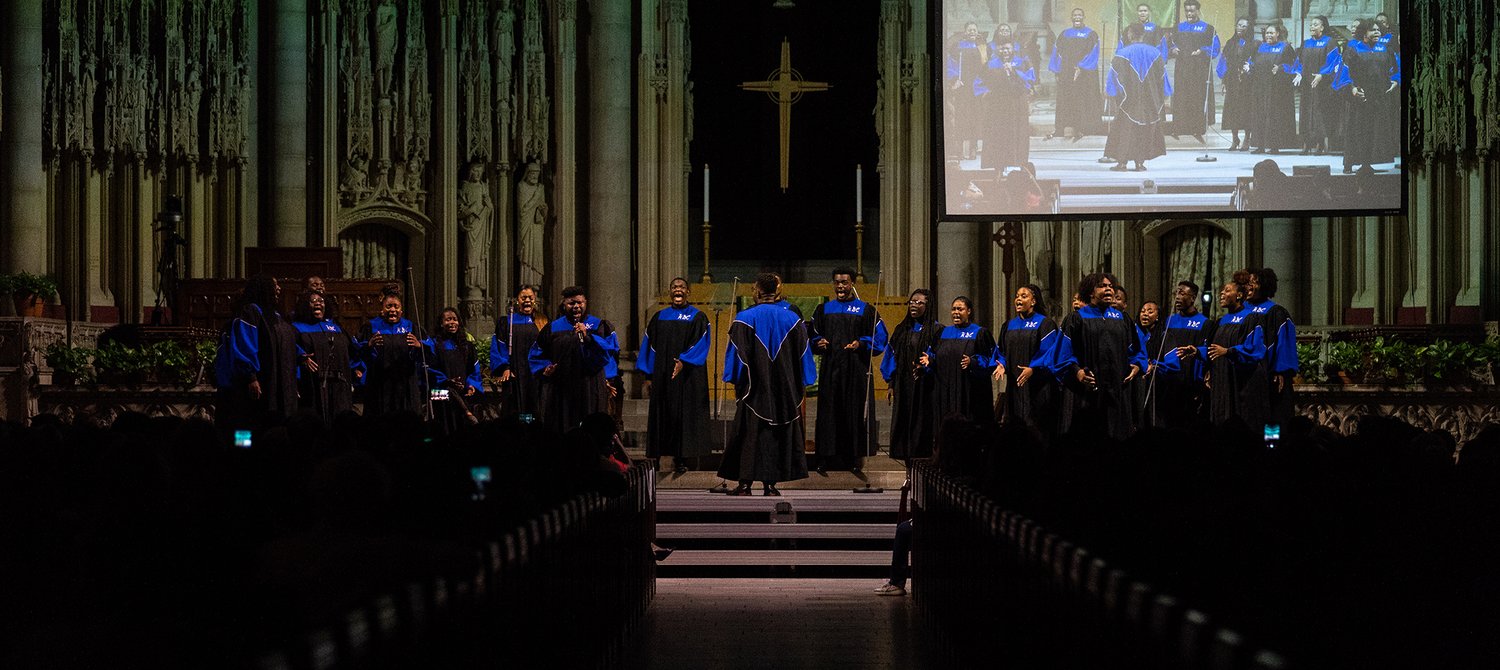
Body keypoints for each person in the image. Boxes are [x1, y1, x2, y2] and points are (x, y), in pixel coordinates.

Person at [718, 273, 816, 496]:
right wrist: (804, 382)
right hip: (784, 391)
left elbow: (736, 355)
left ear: (758, 291)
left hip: (753, 390)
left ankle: (745, 485)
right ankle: (770, 486)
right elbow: (804, 354)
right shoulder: (792, 319)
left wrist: (733, 378)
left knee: (749, 435)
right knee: (775, 436)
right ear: (776, 292)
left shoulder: (744, 318)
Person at [809, 268, 889, 474]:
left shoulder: (866, 310)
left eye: (844, 282)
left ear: (852, 283)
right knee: (829, 412)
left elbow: (880, 337)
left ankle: (853, 457)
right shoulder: (824, 309)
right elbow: (812, 334)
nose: (840, 286)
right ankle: (825, 457)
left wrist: (861, 344)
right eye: (837, 282)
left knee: (853, 412)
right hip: (831, 368)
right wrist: (819, 342)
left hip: (856, 369)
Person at [1055, 273, 1145, 441]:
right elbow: (1064, 354)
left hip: (1118, 391)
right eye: (1103, 286)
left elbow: (1136, 349)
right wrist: (1078, 372)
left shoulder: (1122, 318)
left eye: (1111, 286)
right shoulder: (1077, 318)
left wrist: (1137, 365)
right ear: (1090, 292)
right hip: (1088, 392)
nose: (1109, 289)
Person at [639, 278, 711, 474]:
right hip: (662, 375)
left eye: (681, 287)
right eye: (674, 287)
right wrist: (648, 374)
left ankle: (681, 458)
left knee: (683, 416)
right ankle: (657, 455)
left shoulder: (698, 317)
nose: (677, 290)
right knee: (662, 413)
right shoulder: (659, 317)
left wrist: (684, 361)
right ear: (669, 292)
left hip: (687, 377)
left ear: (688, 291)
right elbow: (649, 346)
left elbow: (701, 343)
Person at [530, 286, 619, 433]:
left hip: (590, 384)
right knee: (563, 425)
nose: (576, 306)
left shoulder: (598, 325)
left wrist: (588, 337)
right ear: (564, 305)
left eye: (580, 302)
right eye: (571, 303)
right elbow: (537, 352)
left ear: (585, 303)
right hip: (562, 385)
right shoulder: (553, 327)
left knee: (591, 426)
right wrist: (545, 367)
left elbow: (609, 351)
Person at [215, 276, 300, 431]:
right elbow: (245, 344)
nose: (279, 289)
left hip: (277, 385)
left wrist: (291, 381)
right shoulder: (251, 312)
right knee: (245, 427)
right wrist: (251, 376)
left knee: (272, 427)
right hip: (257, 383)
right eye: (274, 285)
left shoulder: (276, 317)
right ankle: (243, 452)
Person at [1332, 19, 1400, 174]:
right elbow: (1344, 72)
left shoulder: (1385, 49)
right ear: (1364, 33)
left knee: (1372, 130)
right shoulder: (1354, 49)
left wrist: (1395, 81)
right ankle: (1349, 163)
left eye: (1378, 30)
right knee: (1356, 130)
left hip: (1378, 97)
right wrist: (1353, 88)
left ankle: (1367, 163)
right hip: (1359, 97)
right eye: (1372, 30)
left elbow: (1394, 70)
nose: (1377, 32)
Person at [994, 285, 1062, 436]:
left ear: (1033, 301)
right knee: (1014, 424)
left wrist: (1034, 368)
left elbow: (1050, 352)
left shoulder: (1045, 324)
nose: (1018, 299)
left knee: (1036, 427)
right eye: (1017, 296)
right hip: (1015, 386)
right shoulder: (1009, 325)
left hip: (1038, 386)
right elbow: (1001, 351)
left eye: (1023, 296)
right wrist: (1002, 364)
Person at [920, 296, 999, 425]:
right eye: (954, 309)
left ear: (969, 311)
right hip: (946, 391)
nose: (956, 312)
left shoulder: (980, 333)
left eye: (960, 309)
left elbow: (991, 358)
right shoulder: (943, 333)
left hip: (970, 391)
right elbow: (934, 355)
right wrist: (929, 361)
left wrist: (973, 362)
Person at [1104, 22, 1171, 172]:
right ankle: (1139, 163)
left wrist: (1111, 92)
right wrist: (1165, 95)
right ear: (1143, 34)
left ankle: (1122, 163)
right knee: (1144, 129)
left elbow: (1114, 76)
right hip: (1149, 100)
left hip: (1128, 100)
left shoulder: (1122, 54)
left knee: (1125, 130)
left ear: (1130, 34)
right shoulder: (1155, 53)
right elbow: (1163, 77)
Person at [1203, 274, 1266, 432]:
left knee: (1242, 421)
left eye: (1227, 290)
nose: (1222, 294)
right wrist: (1197, 352)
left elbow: (1254, 349)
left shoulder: (1251, 318)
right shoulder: (1220, 321)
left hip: (1242, 379)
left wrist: (1229, 351)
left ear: (1239, 295)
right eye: (1222, 291)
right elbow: (1214, 348)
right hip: (1222, 377)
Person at [881, 289, 939, 460]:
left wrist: (929, 365)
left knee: (922, 426)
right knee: (904, 425)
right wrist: (891, 383)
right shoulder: (902, 329)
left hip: (926, 387)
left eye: (919, 302)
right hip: (904, 385)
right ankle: (907, 471)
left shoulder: (936, 330)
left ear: (928, 306)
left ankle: (921, 468)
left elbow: (939, 357)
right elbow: (891, 357)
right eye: (912, 302)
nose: (914, 305)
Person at [357, 285, 432, 417]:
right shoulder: (371, 326)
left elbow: (431, 350)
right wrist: (368, 345)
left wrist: (419, 345)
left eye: (396, 307)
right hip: (379, 384)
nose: (392, 310)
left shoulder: (411, 327)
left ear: (401, 310)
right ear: (382, 309)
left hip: (405, 383)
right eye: (389, 306)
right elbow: (356, 350)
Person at [290, 290, 359, 424]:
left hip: (339, 386)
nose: (318, 303)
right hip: (312, 384)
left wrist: (357, 366)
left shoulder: (335, 327)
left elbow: (351, 349)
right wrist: (301, 357)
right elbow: (289, 351)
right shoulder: (296, 328)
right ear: (305, 305)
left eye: (321, 301)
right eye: (313, 301)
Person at [1151, 281, 1210, 429]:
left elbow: (1206, 353)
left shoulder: (1204, 323)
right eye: (1176, 293)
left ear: (1193, 298)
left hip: (1190, 385)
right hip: (1169, 384)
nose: (1177, 297)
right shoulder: (1169, 322)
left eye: (1182, 293)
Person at [1245, 268, 1298, 427]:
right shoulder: (1240, 312)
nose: (1248, 287)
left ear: (1263, 285)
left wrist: (1280, 370)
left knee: (1271, 420)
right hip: (1245, 378)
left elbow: (1284, 343)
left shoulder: (1276, 312)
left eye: (1252, 283)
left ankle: (1271, 449)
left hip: (1268, 376)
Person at [977, 40, 1035, 171]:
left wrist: (1013, 71)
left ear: (1013, 49)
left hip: (1016, 106)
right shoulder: (991, 64)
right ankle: (999, 165)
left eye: (1008, 49)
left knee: (1017, 133)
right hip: (998, 106)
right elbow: (982, 81)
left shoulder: (1021, 62)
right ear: (998, 50)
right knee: (999, 134)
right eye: (1002, 49)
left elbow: (1029, 80)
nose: (1005, 51)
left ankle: (1017, 163)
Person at [491, 285, 547, 419]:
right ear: (517, 300)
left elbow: (547, 347)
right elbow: (499, 345)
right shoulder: (507, 322)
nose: (527, 300)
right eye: (523, 297)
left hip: (536, 373)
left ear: (535, 300)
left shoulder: (542, 321)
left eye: (530, 297)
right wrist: (505, 367)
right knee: (514, 409)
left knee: (534, 409)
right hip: (514, 372)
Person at [1167, 1, 1220, 141]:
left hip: (1200, 69)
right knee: (1181, 96)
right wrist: (1173, 49)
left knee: (1198, 97)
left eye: (1192, 11)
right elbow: (1170, 44)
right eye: (1187, 11)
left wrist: (1202, 51)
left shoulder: (1208, 28)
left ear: (1198, 11)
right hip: (1183, 68)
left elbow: (1215, 47)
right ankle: (1179, 127)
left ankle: (1197, 128)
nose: (1189, 13)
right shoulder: (1178, 28)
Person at [1048, 9, 1104, 141]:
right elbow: (1057, 52)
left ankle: (1085, 128)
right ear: (1071, 17)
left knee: (1085, 99)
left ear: (1083, 17)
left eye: (1079, 15)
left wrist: (1081, 67)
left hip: (1086, 74)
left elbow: (1094, 53)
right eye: (1074, 15)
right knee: (1067, 99)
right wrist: (1057, 70)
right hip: (1067, 73)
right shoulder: (1065, 34)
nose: (1077, 17)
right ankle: (1062, 128)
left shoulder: (1091, 34)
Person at [1247, 23, 1300, 155]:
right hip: (1260, 87)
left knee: (1274, 117)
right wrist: (1249, 67)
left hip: (1277, 89)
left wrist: (1281, 68)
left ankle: (1274, 146)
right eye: (1267, 33)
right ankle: (1260, 146)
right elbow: (1253, 61)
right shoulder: (1261, 47)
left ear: (1278, 34)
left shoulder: (1285, 47)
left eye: (1272, 33)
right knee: (1259, 115)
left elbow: (1294, 65)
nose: (1269, 35)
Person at [429, 307, 483, 434]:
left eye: (455, 319)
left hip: (462, 390)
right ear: (441, 324)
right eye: (448, 320)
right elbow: (431, 368)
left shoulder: (466, 346)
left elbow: (474, 369)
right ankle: (467, 413)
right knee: (447, 392)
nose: (452, 322)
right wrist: (446, 381)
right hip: (437, 393)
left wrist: (471, 385)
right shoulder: (434, 344)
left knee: (459, 396)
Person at [945, 22, 990, 159]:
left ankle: (973, 147)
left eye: (974, 29)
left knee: (976, 116)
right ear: (965, 32)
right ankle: (961, 148)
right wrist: (954, 80)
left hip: (977, 86)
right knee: (962, 116)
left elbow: (986, 67)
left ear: (978, 32)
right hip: (963, 86)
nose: (972, 32)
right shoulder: (957, 47)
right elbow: (951, 65)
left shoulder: (982, 47)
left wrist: (985, 84)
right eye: (969, 29)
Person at [1297, 16, 1338, 155]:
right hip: (1308, 84)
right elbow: (1299, 61)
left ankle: (1320, 143)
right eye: (1311, 24)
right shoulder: (1306, 43)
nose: (1312, 27)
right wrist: (1298, 73)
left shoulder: (1329, 42)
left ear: (1323, 27)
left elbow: (1333, 62)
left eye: (1315, 24)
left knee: (1319, 113)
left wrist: (1322, 75)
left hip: (1322, 85)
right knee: (1306, 112)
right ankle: (1306, 143)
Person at [1216, 18, 1255, 151]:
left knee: (1246, 110)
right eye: (1239, 25)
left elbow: (1256, 61)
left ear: (1249, 28)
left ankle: (1247, 138)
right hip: (1232, 81)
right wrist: (1223, 81)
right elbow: (1224, 62)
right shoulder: (1230, 43)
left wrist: (1250, 67)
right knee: (1232, 110)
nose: (1241, 28)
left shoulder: (1254, 44)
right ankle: (1235, 138)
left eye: (1244, 26)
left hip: (1247, 83)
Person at [458, 161, 494, 295]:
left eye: (480, 171)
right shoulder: (465, 187)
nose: (478, 174)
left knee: (480, 257)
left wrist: (489, 207)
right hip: (471, 227)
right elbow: (459, 211)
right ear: (470, 172)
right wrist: (469, 211)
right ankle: (470, 285)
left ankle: (479, 285)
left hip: (482, 226)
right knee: (471, 256)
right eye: (475, 171)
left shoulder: (484, 187)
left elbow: (490, 209)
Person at [516, 162, 548, 287]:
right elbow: (523, 210)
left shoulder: (540, 188)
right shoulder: (522, 186)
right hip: (526, 225)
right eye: (532, 173)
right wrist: (536, 199)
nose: (535, 176)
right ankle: (526, 283)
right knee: (526, 251)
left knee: (537, 253)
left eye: (537, 173)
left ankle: (535, 284)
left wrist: (543, 209)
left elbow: (543, 210)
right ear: (527, 174)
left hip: (537, 226)